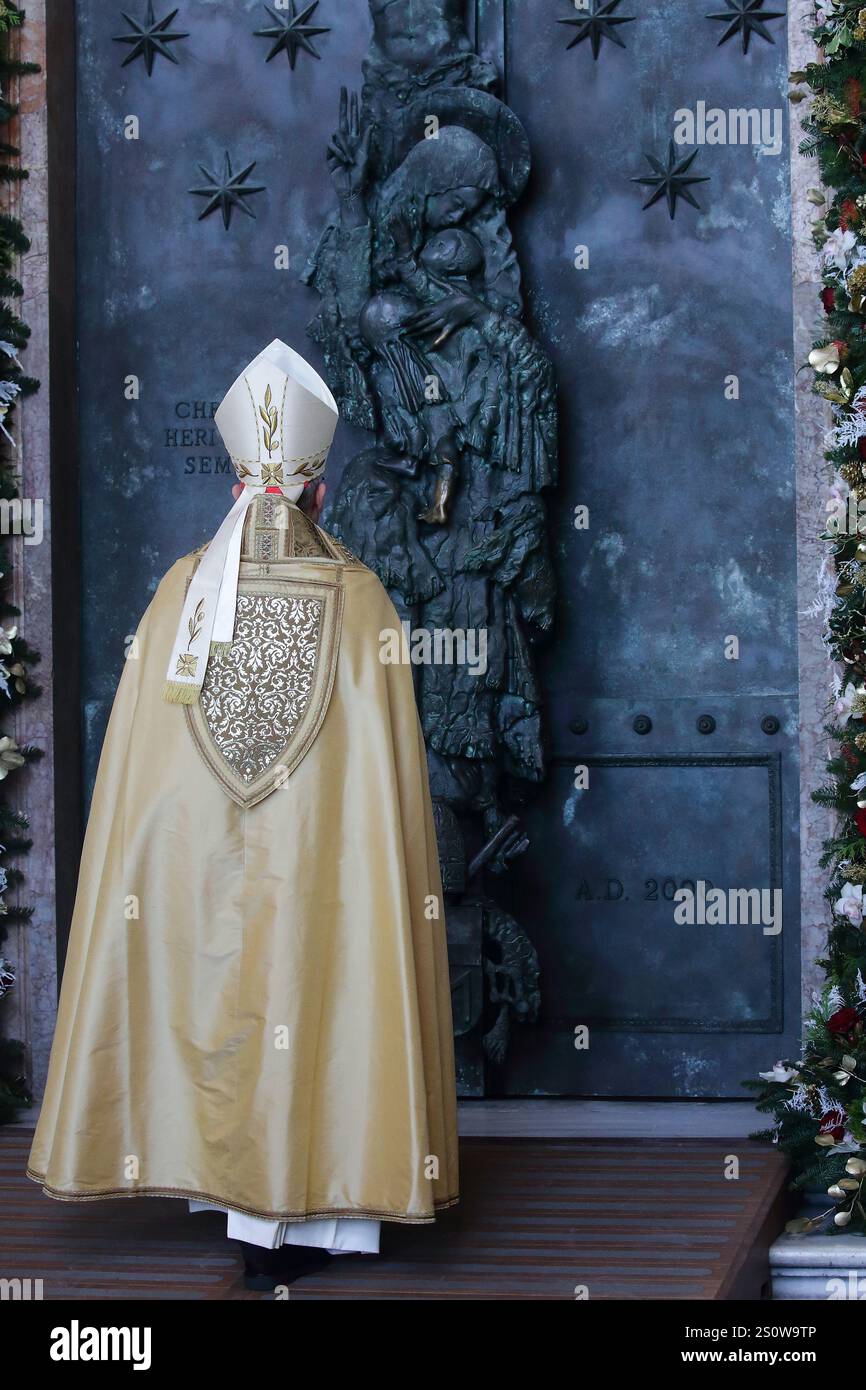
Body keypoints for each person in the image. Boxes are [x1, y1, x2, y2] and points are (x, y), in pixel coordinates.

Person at [26, 339, 459, 1291]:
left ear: (235, 486)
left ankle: (236, 1206)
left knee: (224, 976)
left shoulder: (181, 591)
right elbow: (380, 790)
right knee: (326, 976)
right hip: (327, 874)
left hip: (202, 876)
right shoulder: (362, 601)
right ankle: (323, 1217)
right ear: (319, 491)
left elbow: (146, 777)